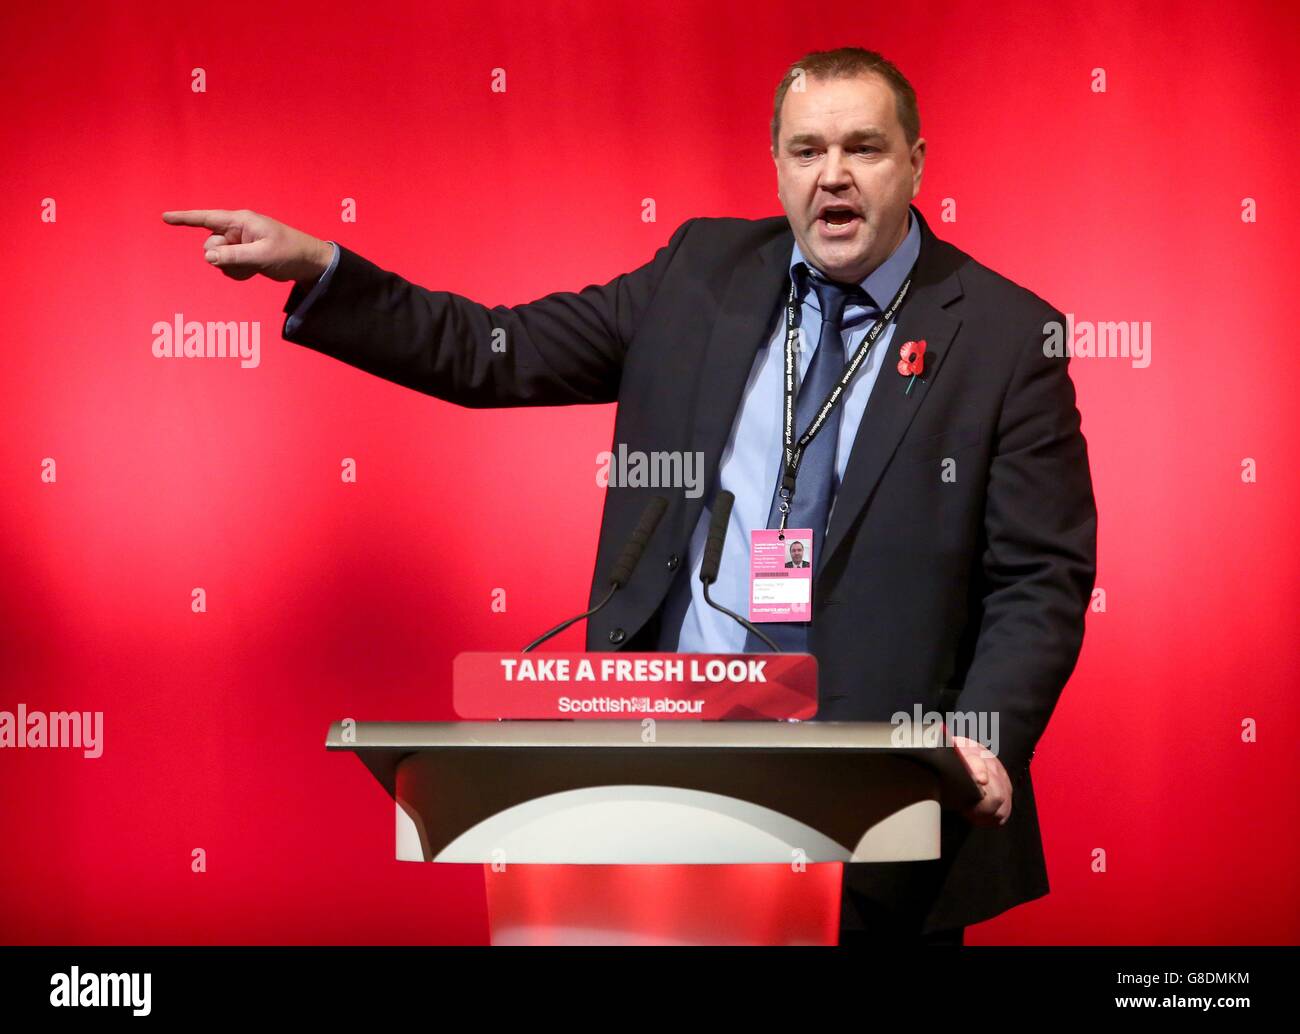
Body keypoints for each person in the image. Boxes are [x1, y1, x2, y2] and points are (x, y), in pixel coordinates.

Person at [162, 46, 1097, 945]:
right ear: (775, 166)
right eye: (808, 150)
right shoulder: (701, 275)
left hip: (887, 802)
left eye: (864, 147)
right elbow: (498, 352)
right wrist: (326, 270)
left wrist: (985, 736)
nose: (834, 175)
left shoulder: (1007, 337)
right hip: (672, 772)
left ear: (917, 162)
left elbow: (1040, 578)